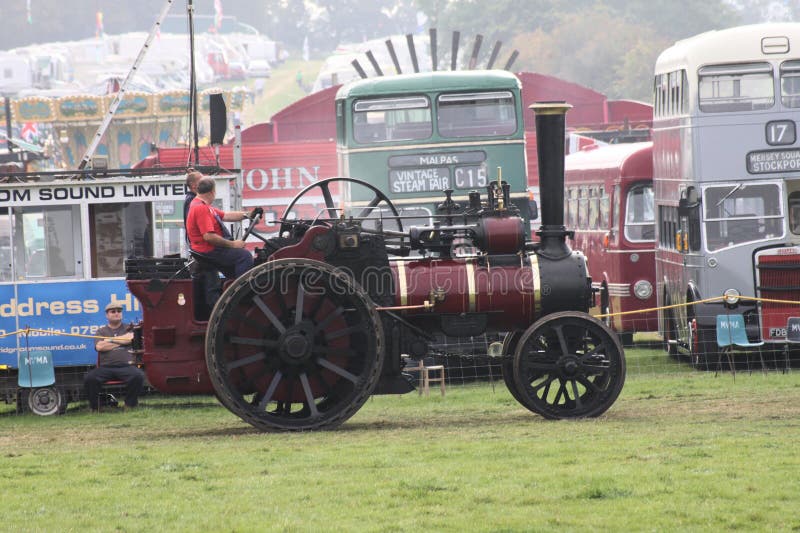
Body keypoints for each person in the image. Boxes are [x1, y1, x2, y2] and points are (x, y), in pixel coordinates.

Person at [186, 176, 254, 280]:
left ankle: (232, 285)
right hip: (209, 251)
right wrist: (233, 244)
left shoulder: (204, 206)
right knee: (244, 256)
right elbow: (209, 237)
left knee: (238, 256)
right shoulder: (201, 208)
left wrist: (249, 214)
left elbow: (226, 215)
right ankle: (241, 291)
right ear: (212, 191)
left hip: (208, 250)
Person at [84, 302, 145, 411]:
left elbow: (130, 338)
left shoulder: (129, 328)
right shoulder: (101, 331)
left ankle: (130, 405)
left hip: (126, 366)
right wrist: (122, 341)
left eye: (119, 311)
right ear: (107, 315)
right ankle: (96, 408)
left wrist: (109, 340)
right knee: (90, 378)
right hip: (106, 367)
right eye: (113, 312)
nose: (117, 313)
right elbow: (100, 347)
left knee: (138, 376)